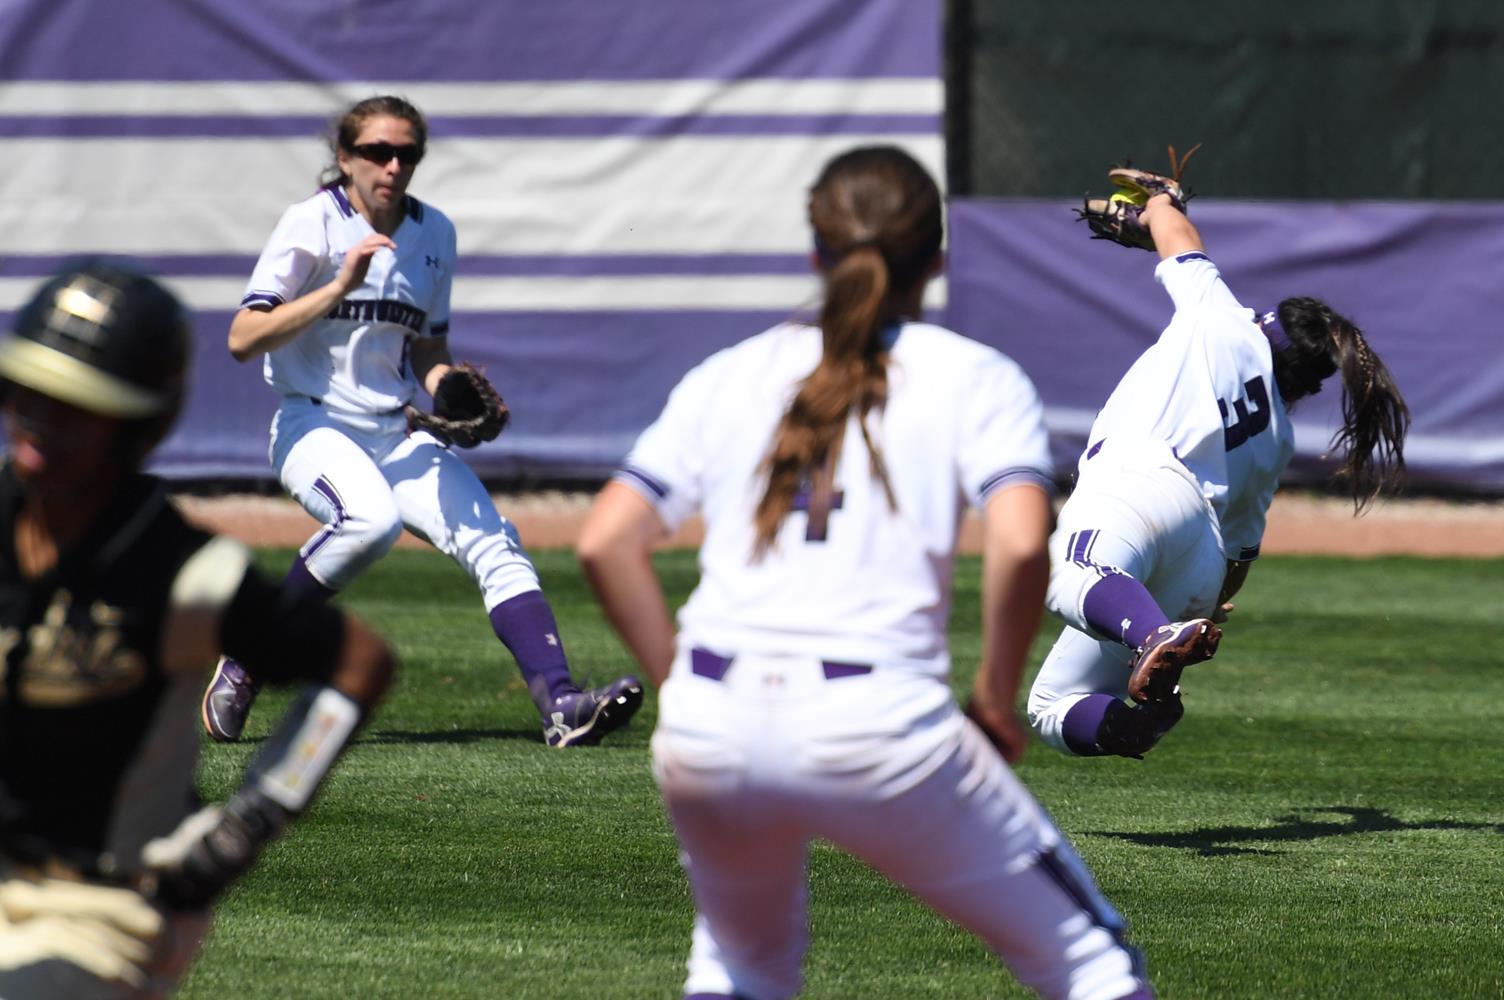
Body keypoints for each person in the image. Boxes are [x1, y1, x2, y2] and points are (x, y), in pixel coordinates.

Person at [577, 146, 1153, 1000]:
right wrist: (997, 701)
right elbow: (1022, 541)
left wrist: (681, 685)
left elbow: (604, 542)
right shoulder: (975, 376)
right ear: (937, 260)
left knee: (739, 970)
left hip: (710, 722)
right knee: (1092, 964)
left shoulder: (727, 374)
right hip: (878, 722)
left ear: (816, 252)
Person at [0, 261, 396, 997]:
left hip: (98, 916)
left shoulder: (182, 569)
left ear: (136, 425)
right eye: (29, 392)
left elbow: (359, 662)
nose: (41, 421)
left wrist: (253, 818)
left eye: (78, 407)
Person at [202, 95, 641, 748]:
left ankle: (562, 705)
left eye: (407, 153)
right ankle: (249, 654)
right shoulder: (312, 223)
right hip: (312, 425)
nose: (393, 165)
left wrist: (448, 389)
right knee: (369, 522)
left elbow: (428, 351)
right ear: (345, 156)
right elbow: (243, 337)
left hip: (394, 430)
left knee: (494, 541)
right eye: (377, 151)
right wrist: (336, 287)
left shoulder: (434, 233)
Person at [1026, 189, 1410, 760]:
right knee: (1052, 704)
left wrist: (1159, 203)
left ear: (1268, 323)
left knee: (1065, 570)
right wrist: (1202, 607)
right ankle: (1139, 721)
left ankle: (1152, 634)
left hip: (1137, 482)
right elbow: (1239, 557)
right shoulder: (1277, 437)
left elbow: (1178, 237)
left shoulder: (1224, 318)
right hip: (1199, 555)